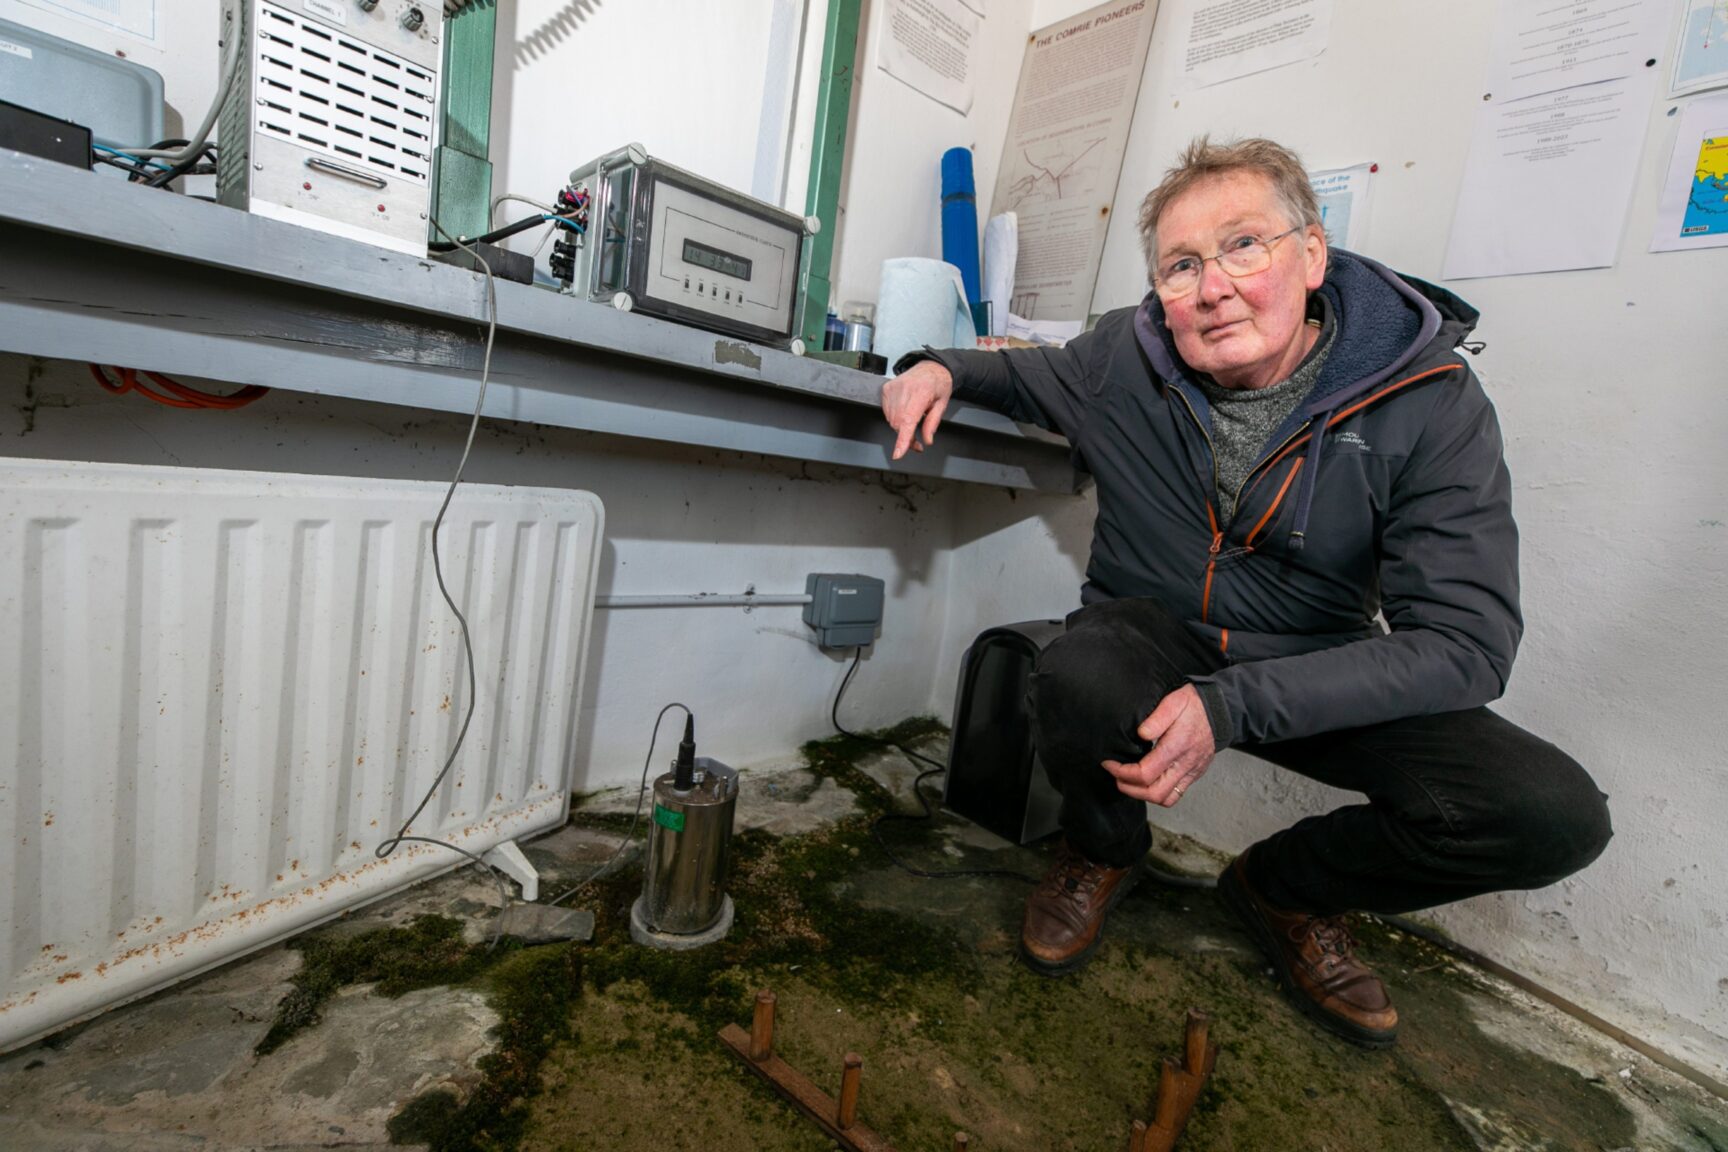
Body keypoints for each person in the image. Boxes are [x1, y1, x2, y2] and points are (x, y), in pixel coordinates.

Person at [879, 136, 1611, 1049]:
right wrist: (935, 366)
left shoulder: (1430, 397)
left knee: (1551, 814)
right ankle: (1101, 852)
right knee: (1077, 669)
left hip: (1314, 662)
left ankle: (1286, 890)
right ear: (1161, 295)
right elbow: (1020, 372)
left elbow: (1467, 644)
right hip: (1154, 634)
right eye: (1181, 265)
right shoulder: (1123, 357)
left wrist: (1232, 706)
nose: (1212, 285)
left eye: (1243, 246)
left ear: (1313, 256)